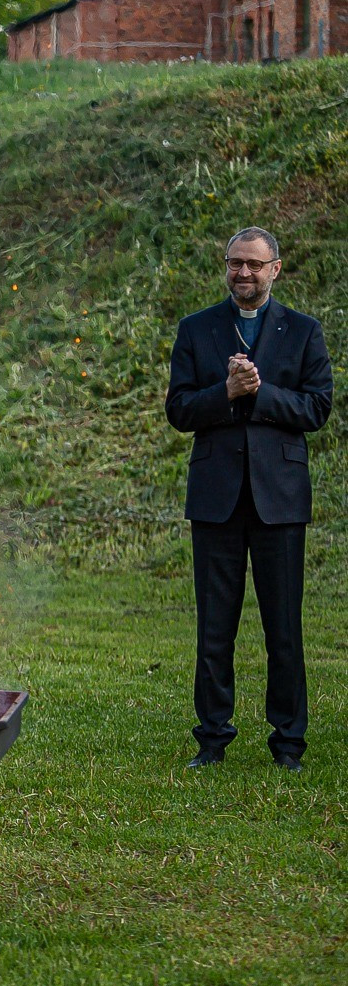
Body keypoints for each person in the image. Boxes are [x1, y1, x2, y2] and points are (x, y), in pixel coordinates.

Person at [166, 226, 331, 774]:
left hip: (279, 501)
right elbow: (180, 410)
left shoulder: (303, 332)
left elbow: (316, 409)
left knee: (284, 629)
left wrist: (260, 393)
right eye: (236, 263)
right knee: (215, 628)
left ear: (275, 269)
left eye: (255, 265)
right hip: (215, 500)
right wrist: (225, 394)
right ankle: (212, 738)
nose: (244, 273)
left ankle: (289, 743)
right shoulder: (196, 330)